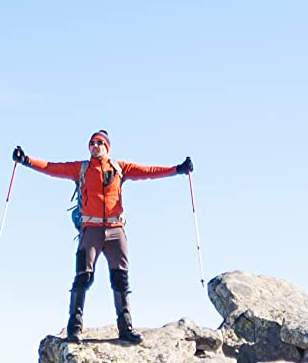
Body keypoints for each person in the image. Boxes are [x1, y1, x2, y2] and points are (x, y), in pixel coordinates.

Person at [11, 130, 192, 344]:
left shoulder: (119, 168)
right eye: (92, 143)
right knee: (83, 276)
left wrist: (178, 170)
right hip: (91, 230)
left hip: (116, 231)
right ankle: (74, 329)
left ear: (107, 147)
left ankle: (126, 329)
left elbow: (149, 171)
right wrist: (26, 160)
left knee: (121, 278)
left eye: (99, 143)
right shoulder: (81, 169)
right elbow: (51, 168)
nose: (95, 146)